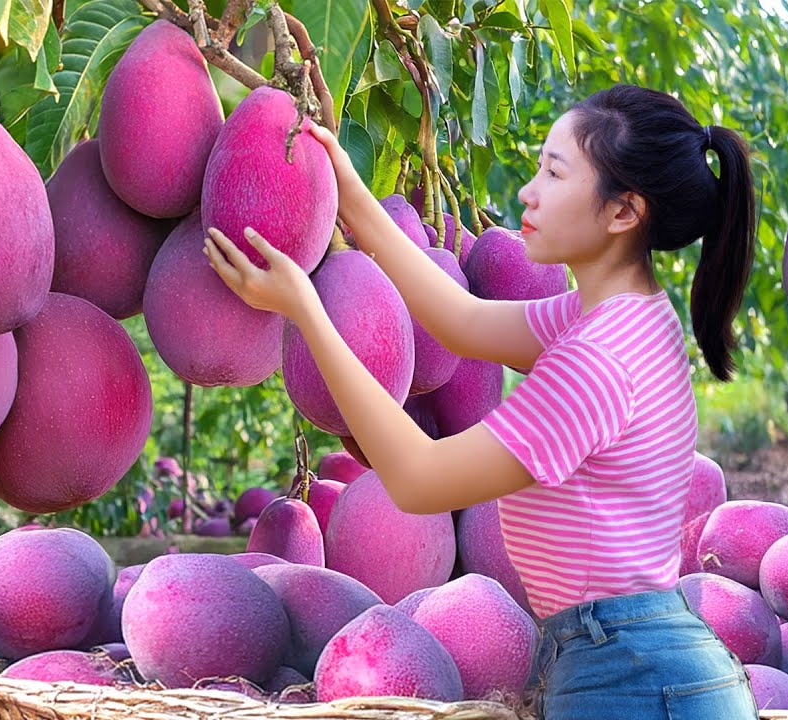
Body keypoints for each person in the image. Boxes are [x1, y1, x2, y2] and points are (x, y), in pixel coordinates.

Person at [201, 83, 759, 719]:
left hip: (629, 677)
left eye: (554, 173)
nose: (528, 192)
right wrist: (351, 196)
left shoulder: (596, 360)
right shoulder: (616, 315)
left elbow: (418, 479)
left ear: (624, 213)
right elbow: (461, 321)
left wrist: (306, 309)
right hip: (637, 662)